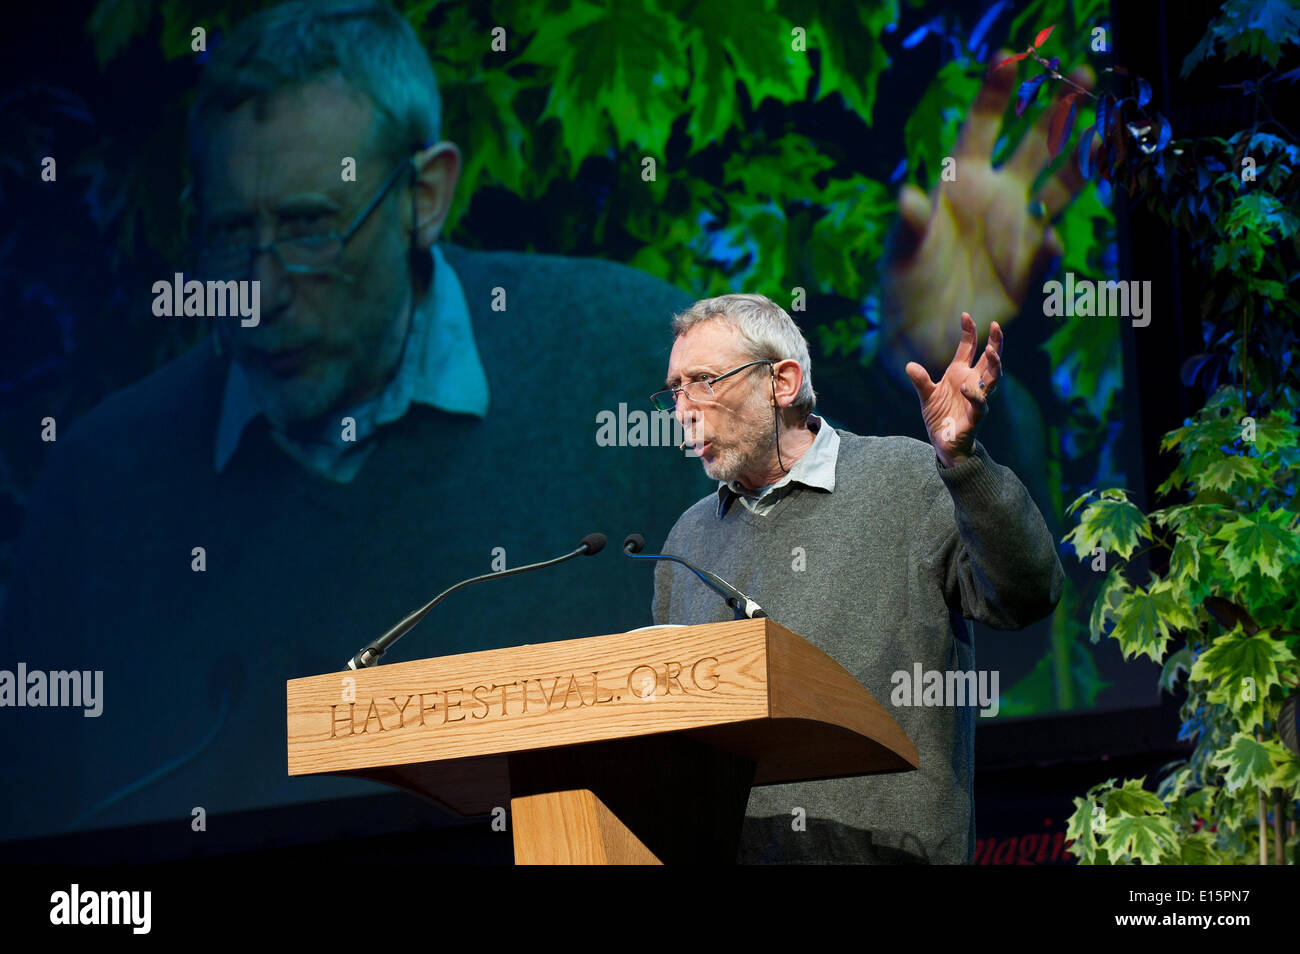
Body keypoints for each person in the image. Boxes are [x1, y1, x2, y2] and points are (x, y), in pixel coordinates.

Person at [0, 0, 1090, 853]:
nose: (259, 289)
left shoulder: (631, 354)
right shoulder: (105, 483)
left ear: (426, 193)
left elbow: (973, 599)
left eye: (308, 229)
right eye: (229, 233)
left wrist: (961, 426)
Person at [651, 294, 1065, 863]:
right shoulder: (687, 540)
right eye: (675, 389)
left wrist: (964, 465)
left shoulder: (907, 479)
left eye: (703, 381)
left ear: (784, 382)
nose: (683, 408)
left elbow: (1027, 594)